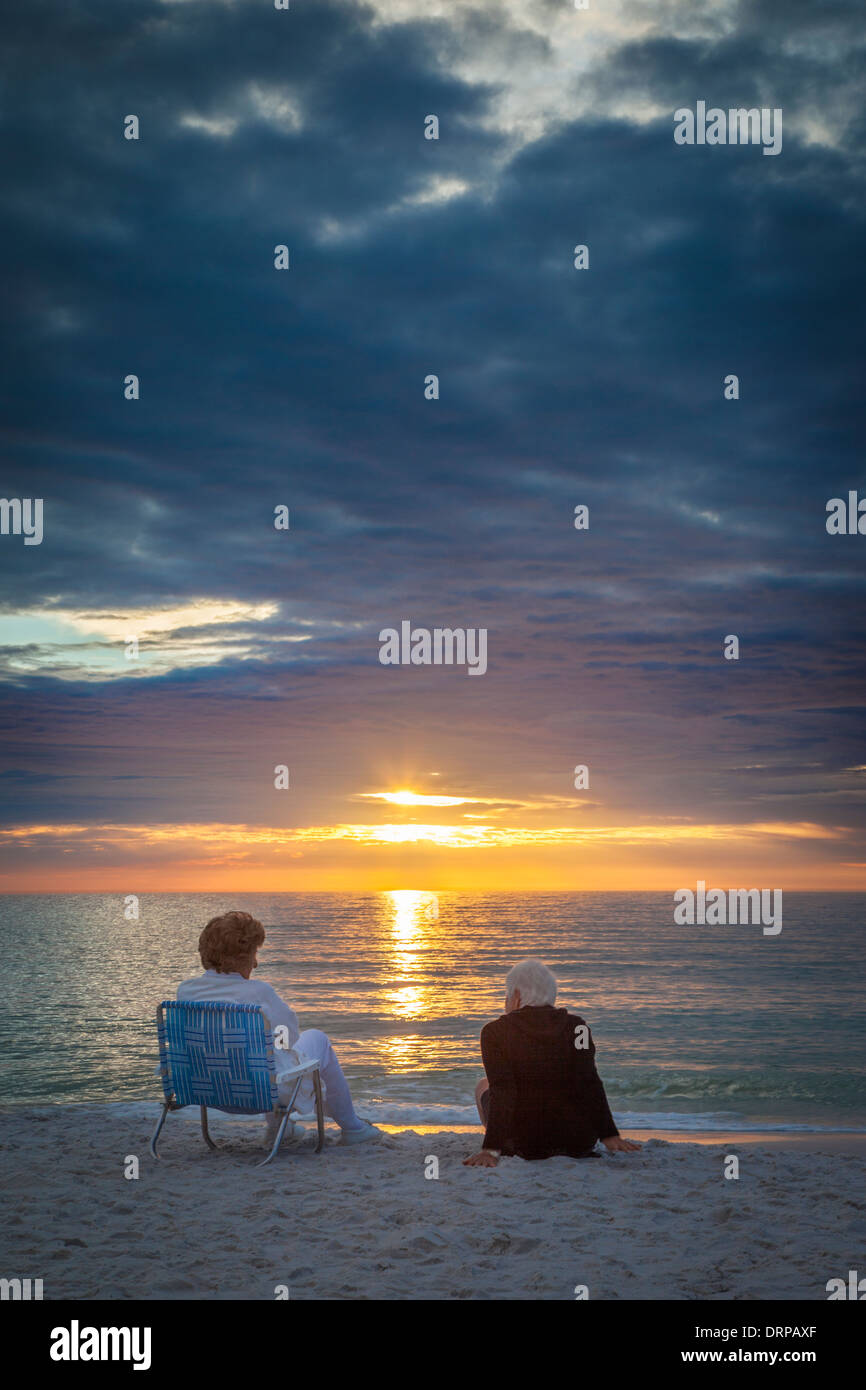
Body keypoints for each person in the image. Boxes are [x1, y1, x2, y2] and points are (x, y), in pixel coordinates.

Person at [176, 910, 379, 1145]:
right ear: (245, 956)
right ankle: (353, 1128)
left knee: (265, 1054)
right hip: (260, 1095)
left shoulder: (186, 991)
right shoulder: (258, 992)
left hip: (207, 1090)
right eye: (254, 954)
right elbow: (290, 1037)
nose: (256, 962)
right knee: (314, 1040)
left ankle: (280, 1129)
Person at [463, 958, 641, 1166]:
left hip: (523, 1143)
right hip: (578, 1142)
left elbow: (503, 1089)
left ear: (517, 996)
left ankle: (497, 1140)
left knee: (484, 1085)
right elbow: (589, 1082)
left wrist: (490, 1150)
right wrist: (609, 1135)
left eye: (507, 994)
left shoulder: (493, 1032)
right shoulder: (579, 1028)